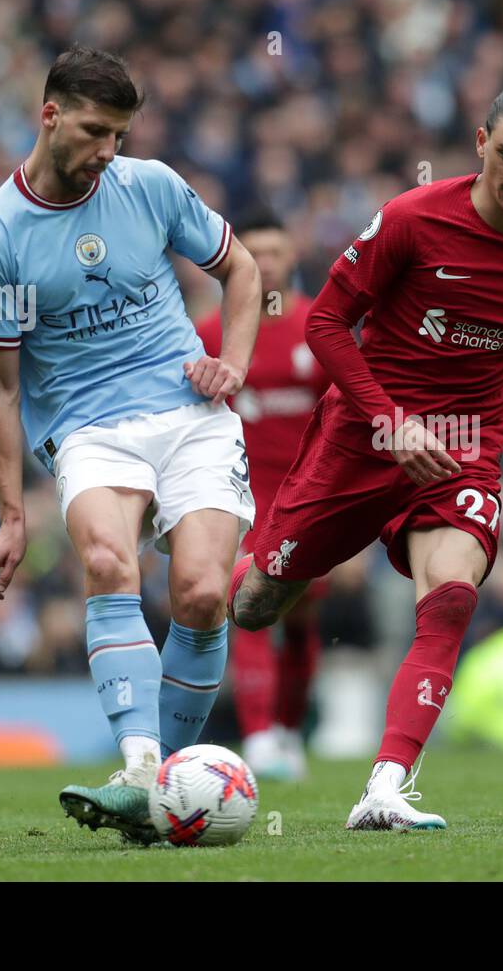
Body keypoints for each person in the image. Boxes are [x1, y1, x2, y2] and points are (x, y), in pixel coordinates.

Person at [228, 72, 503, 830]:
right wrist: (390, 421)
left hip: (464, 447)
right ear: (481, 145)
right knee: (257, 605)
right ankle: (233, 576)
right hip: (363, 437)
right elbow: (328, 322)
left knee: (453, 596)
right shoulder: (411, 218)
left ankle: (386, 786)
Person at [0, 45, 261, 842]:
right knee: (105, 561)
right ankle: (138, 772)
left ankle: (161, 789)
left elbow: (243, 270)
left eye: (119, 136)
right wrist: (11, 518)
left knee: (201, 592)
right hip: (88, 427)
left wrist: (232, 363)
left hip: (189, 414)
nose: (107, 152)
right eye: (95, 131)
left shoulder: (151, 185)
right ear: (49, 114)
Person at [196, 211, 330, 781]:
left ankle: (288, 730)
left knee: (300, 623)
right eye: (256, 253)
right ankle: (258, 738)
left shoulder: (320, 328)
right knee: (246, 611)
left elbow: (347, 422)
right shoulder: (206, 335)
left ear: (292, 256)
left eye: (276, 251)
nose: (267, 263)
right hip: (240, 500)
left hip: (310, 504)